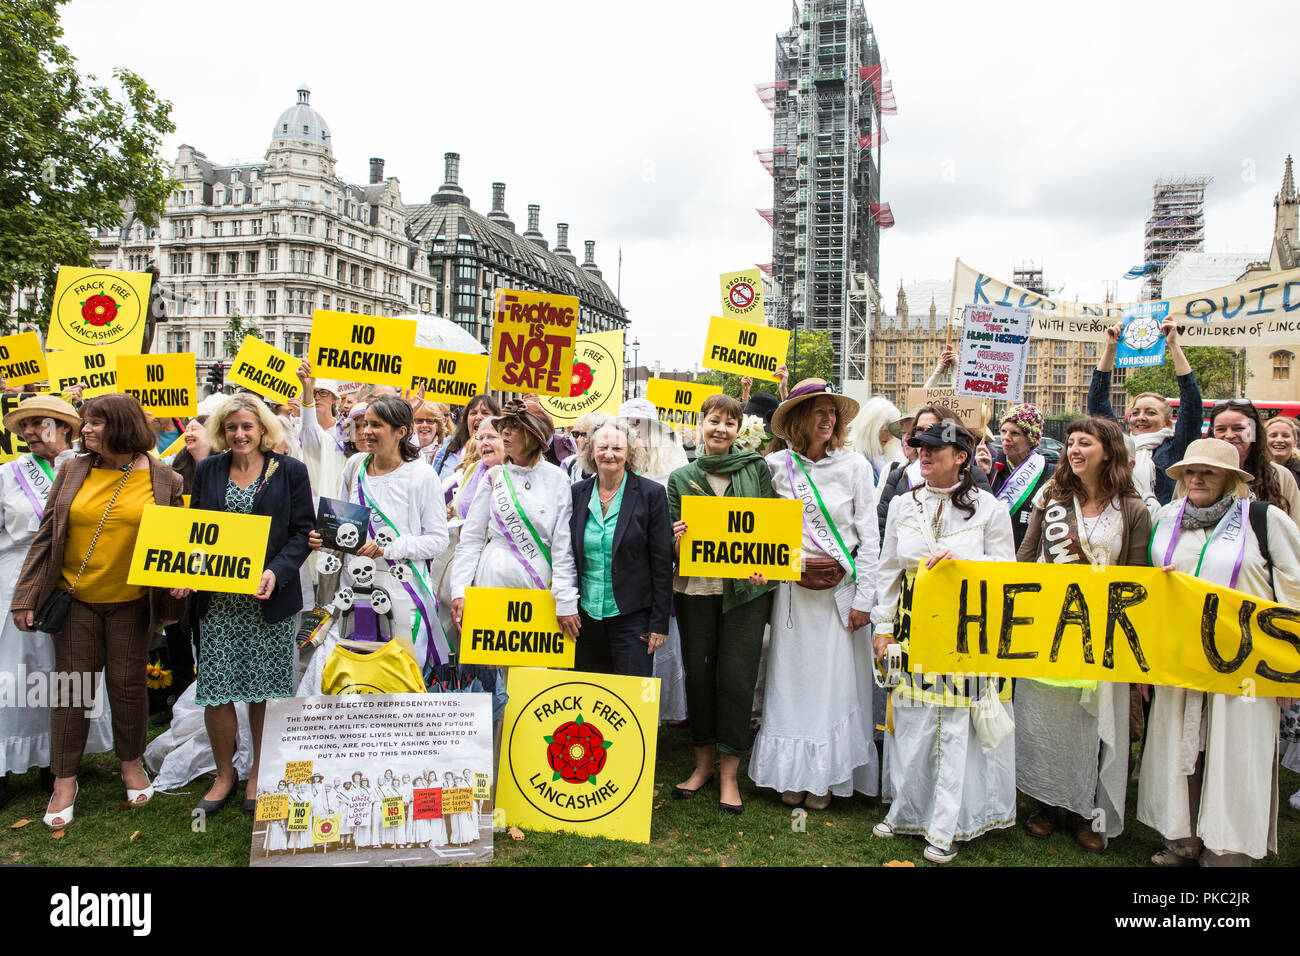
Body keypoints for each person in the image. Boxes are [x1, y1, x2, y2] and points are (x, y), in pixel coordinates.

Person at [11, 394, 187, 828]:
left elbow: (180, 538)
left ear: (123, 428)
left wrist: (183, 574)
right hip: (75, 602)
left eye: (95, 423)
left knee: (127, 687)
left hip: (131, 603)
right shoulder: (73, 468)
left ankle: (131, 763)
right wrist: (25, 596)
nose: (84, 429)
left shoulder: (165, 478)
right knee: (72, 689)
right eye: (85, 422)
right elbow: (46, 536)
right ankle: (64, 780)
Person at [1138, 438, 1300, 865]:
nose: (1196, 479)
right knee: (1181, 746)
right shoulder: (1168, 517)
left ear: (1230, 479)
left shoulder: (1265, 520)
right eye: (1190, 472)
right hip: (1180, 658)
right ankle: (1182, 839)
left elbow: (1294, 592)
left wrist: (1289, 670)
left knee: (1235, 751)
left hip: (1245, 664)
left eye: (1208, 472)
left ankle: (1226, 850)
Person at [871, 420, 1017, 864]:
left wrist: (967, 560)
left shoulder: (990, 509)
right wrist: (882, 627)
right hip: (913, 628)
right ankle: (906, 811)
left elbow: (1007, 569)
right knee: (913, 722)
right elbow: (888, 570)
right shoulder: (902, 505)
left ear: (961, 458)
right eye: (919, 447)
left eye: (936, 448)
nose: (924, 454)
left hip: (965, 631)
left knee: (956, 727)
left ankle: (945, 826)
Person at [1014, 416, 1151, 851]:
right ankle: (1045, 804)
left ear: (1107, 451)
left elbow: (1138, 577)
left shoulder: (1132, 508)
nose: (1074, 449)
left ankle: (1082, 809)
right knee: (1046, 716)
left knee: (1093, 720)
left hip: (1105, 633)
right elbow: (1026, 556)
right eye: (1070, 443)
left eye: (1084, 443)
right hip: (1052, 627)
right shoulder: (1050, 498)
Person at [174, 394, 314, 816]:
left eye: (248, 427)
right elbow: (199, 527)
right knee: (216, 689)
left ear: (263, 430)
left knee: (264, 691)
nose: (240, 434)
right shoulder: (210, 469)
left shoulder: (289, 470)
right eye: (232, 427)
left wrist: (275, 571)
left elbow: (301, 532)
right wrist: (186, 571)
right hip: (219, 601)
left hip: (268, 599)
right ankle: (223, 774)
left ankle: (257, 771)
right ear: (222, 430)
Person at [748, 380, 880, 811]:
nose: (827, 419)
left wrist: (865, 598)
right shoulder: (776, 466)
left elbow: (870, 537)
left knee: (832, 684)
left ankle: (824, 778)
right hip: (792, 593)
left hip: (839, 593)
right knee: (791, 681)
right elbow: (760, 527)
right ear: (798, 420)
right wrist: (766, 565)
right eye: (817, 411)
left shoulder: (856, 466)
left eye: (832, 412)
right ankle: (790, 772)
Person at [0, 397, 113, 809]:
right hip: (15, 580)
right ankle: (4, 762)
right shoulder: (8, 475)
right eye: (23, 425)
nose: (29, 432)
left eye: (38, 423)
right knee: (12, 676)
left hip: (70, 584)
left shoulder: (88, 471)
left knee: (65, 672)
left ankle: (58, 760)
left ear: (65, 426)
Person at [667, 393, 776, 814]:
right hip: (696, 592)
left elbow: (767, 526)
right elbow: (669, 545)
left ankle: (729, 772)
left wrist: (763, 561)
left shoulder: (756, 469)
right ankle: (702, 766)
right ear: (700, 424)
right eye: (713, 421)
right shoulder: (681, 477)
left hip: (746, 594)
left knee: (737, 677)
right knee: (699, 675)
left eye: (729, 424)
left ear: (738, 430)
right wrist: (676, 539)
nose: (720, 430)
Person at [310, 396, 451, 671]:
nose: (366, 432)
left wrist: (389, 548)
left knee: (396, 681)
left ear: (400, 432)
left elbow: (437, 540)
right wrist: (323, 539)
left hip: (401, 592)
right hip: (355, 590)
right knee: (355, 679)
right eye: (364, 424)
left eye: (376, 425)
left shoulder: (422, 476)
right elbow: (345, 523)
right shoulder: (355, 466)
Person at [450, 398, 580, 642]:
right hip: (493, 580)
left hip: (538, 584)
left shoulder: (557, 479)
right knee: (496, 670)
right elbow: (471, 539)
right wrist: (460, 589)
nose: (505, 432)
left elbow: (563, 546)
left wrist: (565, 601)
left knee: (534, 670)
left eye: (515, 426)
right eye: (504, 426)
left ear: (533, 434)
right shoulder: (493, 476)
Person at [569, 421, 673, 676]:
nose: (609, 453)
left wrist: (659, 623)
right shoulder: (576, 493)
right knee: (591, 698)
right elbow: (567, 555)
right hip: (586, 618)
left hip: (632, 618)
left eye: (617, 447)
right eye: (602, 447)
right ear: (591, 452)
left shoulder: (651, 494)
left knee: (630, 698)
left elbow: (662, 563)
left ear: (629, 453)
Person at [1088, 317, 1203, 510]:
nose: (1140, 417)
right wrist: (1110, 349)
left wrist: (1173, 345)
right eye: (1136, 413)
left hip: (1162, 528)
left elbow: (1191, 405)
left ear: (1167, 423)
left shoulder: (1177, 448)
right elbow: (1097, 401)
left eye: (1150, 413)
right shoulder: (1120, 444)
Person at [877, 404, 991, 542]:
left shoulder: (977, 483)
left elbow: (988, 542)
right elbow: (882, 530)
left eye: (932, 429)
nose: (925, 436)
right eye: (918, 430)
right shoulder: (898, 479)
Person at [1207, 400, 1300, 519]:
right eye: (1221, 429)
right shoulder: (1194, 473)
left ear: (1254, 431)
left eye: (1238, 428)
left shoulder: (1281, 476)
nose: (1229, 435)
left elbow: (1295, 528)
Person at [989, 404, 1049, 550]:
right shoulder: (991, 467)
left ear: (1031, 439)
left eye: (1015, 433)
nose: (1005, 438)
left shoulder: (1048, 472)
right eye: (1003, 431)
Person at [847, 396, 906, 499]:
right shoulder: (851, 459)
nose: (891, 436)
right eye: (885, 430)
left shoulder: (896, 459)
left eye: (893, 431)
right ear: (870, 429)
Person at [432, 395, 500, 480]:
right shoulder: (448, 448)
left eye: (485, 413)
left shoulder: (502, 455)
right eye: (473, 413)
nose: (478, 417)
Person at [560, 411, 611, 483]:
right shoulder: (569, 464)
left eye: (585, 435)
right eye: (575, 434)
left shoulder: (611, 467)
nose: (579, 440)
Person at [1266, 416, 1300, 485]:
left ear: (1295, 442)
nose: (1279, 440)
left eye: (1285, 436)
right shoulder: (1254, 471)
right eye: (1273, 435)